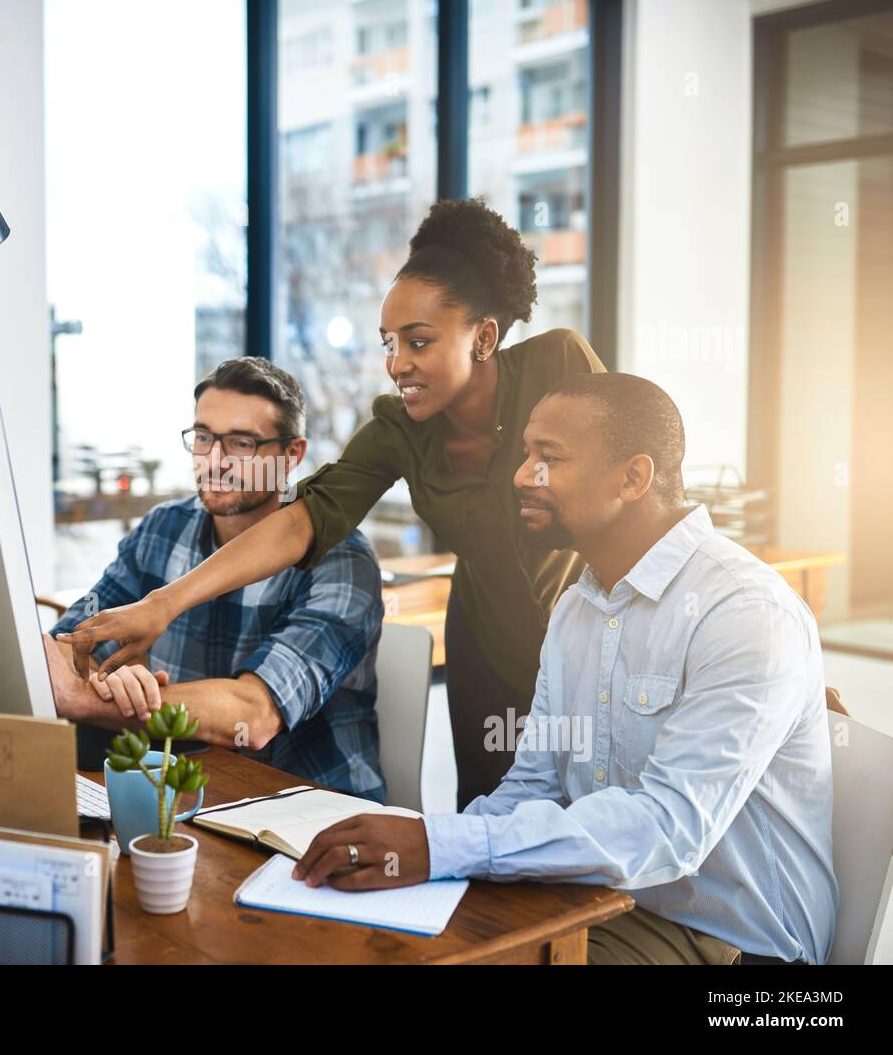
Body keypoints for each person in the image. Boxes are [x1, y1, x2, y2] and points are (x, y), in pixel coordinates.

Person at [61, 198, 606, 807]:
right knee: (497, 813)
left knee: (605, 801)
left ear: (483, 337)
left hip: (592, 625)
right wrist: (162, 606)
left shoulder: (557, 365)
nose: (398, 364)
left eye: (419, 342)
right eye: (388, 343)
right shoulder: (399, 429)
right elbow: (304, 522)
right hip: (489, 636)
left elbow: (628, 483)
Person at [292, 373, 838, 966]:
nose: (522, 475)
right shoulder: (578, 606)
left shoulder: (744, 612)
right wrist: (432, 854)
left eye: (548, 458)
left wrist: (439, 844)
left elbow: (668, 827)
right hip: (596, 899)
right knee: (364, 938)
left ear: (633, 478)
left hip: (734, 944)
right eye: (526, 453)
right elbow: (534, 783)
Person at [43, 357, 387, 800]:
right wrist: (113, 683)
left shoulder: (342, 560)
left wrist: (91, 700)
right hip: (194, 796)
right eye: (204, 437)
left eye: (241, 443)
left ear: (292, 455)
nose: (215, 460)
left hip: (312, 814)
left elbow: (256, 716)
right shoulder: (163, 528)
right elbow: (70, 649)